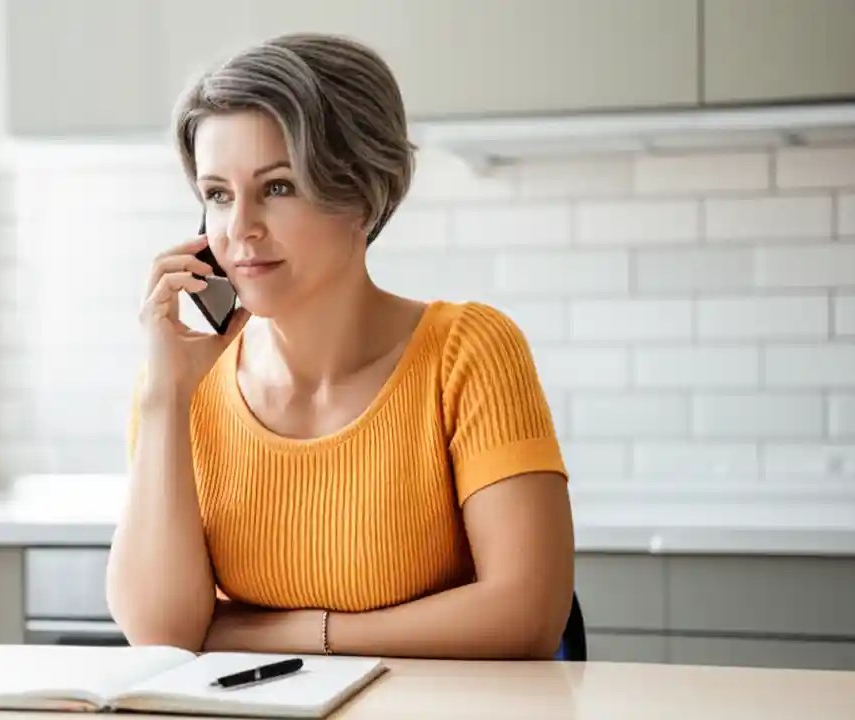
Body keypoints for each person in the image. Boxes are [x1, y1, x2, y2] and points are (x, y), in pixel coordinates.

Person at [106, 33, 573, 660]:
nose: (239, 228)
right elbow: (162, 639)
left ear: (361, 195)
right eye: (217, 195)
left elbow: (527, 614)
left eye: (277, 187)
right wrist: (167, 396)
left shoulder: (468, 352)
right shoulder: (178, 386)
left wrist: (287, 635)